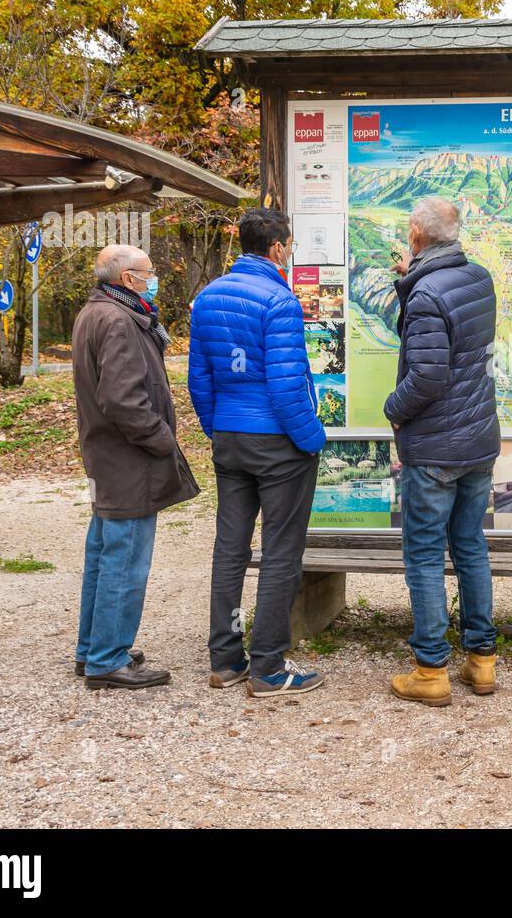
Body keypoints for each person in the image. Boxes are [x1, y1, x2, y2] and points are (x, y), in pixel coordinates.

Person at [189, 209, 327, 698]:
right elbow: (288, 388)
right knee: (280, 553)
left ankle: (226, 660)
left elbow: (199, 380)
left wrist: (218, 429)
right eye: (288, 245)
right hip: (277, 443)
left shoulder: (206, 298)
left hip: (230, 437)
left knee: (230, 549)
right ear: (277, 249)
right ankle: (269, 666)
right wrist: (312, 440)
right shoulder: (279, 301)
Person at [385, 197, 501, 706]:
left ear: (415, 233)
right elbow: (437, 340)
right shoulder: (478, 279)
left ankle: (430, 670)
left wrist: (393, 407)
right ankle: (482, 662)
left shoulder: (427, 293)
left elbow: (427, 374)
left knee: (426, 555)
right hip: (477, 441)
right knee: (470, 545)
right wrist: (408, 282)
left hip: (434, 446)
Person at [72, 243, 199, 689]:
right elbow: (123, 400)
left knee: (103, 554)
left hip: (107, 456)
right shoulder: (119, 320)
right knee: (125, 558)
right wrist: (162, 439)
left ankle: (93, 648)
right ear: (127, 279)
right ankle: (108, 658)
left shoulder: (98, 311)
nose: (154, 277)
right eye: (149, 271)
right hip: (128, 459)